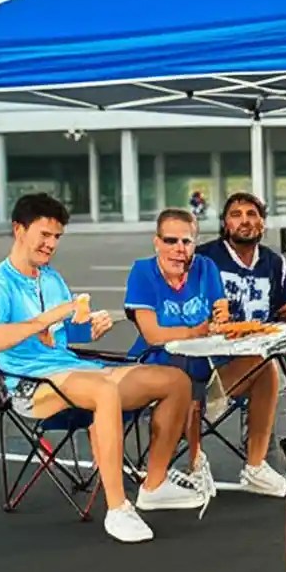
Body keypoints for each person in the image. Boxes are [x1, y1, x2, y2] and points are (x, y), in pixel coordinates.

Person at [0, 193, 203, 544]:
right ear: (19, 230)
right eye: (45, 235)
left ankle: (154, 485)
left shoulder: (51, 279)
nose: (51, 244)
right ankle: (117, 508)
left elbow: (63, 336)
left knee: (174, 380)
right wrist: (43, 320)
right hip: (30, 384)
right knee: (104, 390)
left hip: (74, 370)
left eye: (57, 238)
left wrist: (89, 328)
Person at [194, 192, 286, 496]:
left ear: (262, 222)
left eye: (252, 214)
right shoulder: (204, 259)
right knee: (266, 368)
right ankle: (197, 448)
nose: (245, 220)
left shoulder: (274, 263)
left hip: (252, 361)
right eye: (236, 214)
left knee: (269, 367)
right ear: (225, 224)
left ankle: (255, 466)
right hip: (205, 362)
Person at [123, 208, 227, 488]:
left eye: (186, 241)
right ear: (156, 242)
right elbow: (153, 334)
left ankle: (256, 465)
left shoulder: (205, 268)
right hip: (155, 361)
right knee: (183, 377)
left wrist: (220, 321)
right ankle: (189, 462)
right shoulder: (143, 272)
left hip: (204, 360)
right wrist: (196, 331)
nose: (179, 249)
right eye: (171, 241)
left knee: (264, 369)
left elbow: (220, 316)